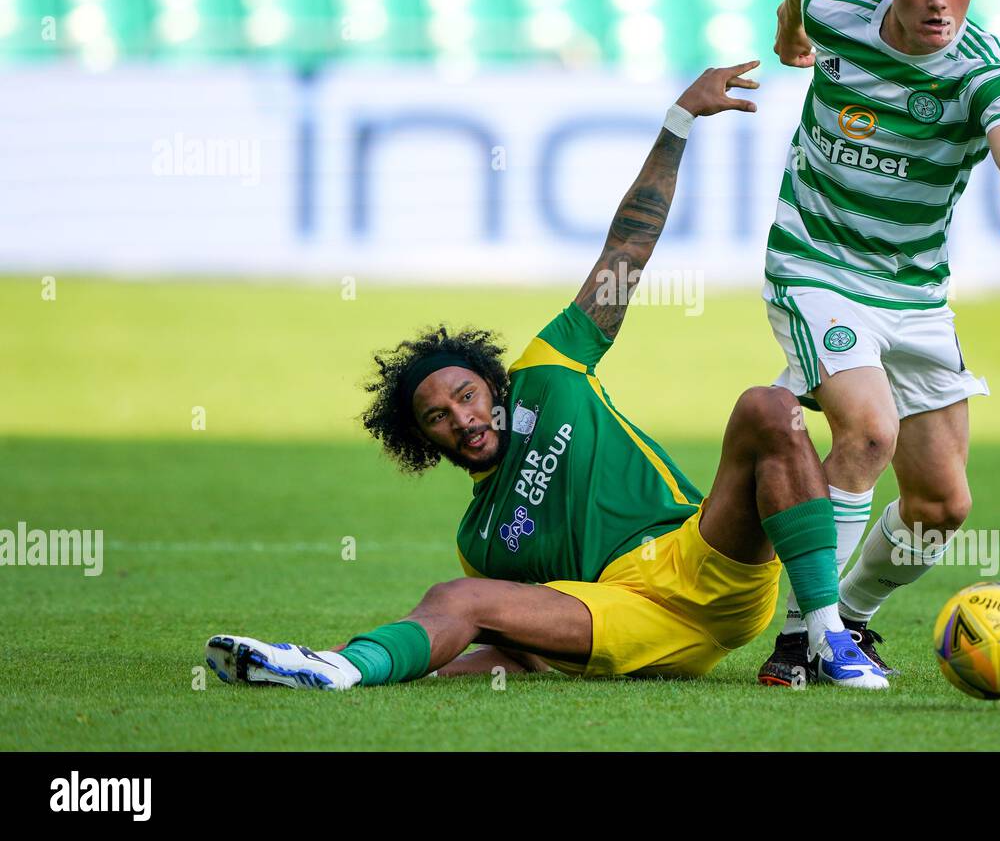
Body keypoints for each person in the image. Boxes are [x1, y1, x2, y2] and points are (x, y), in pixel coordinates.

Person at [204, 63, 892, 692]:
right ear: (426, 443)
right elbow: (525, 641)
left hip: (708, 559)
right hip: (628, 618)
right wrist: (435, 665)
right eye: (437, 416)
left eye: (465, 394)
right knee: (459, 596)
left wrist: (677, 122)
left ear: (494, 385)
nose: (461, 417)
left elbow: (626, 247)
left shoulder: (550, 366)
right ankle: (334, 665)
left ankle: (823, 636)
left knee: (767, 407)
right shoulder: (481, 539)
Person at [756, 0, 1000, 687]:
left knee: (941, 506)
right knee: (867, 433)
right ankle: (804, 642)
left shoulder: (986, 68)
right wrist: (788, 32)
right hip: (814, 261)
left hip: (914, 292)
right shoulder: (838, 6)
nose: (938, 3)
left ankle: (850, 614)